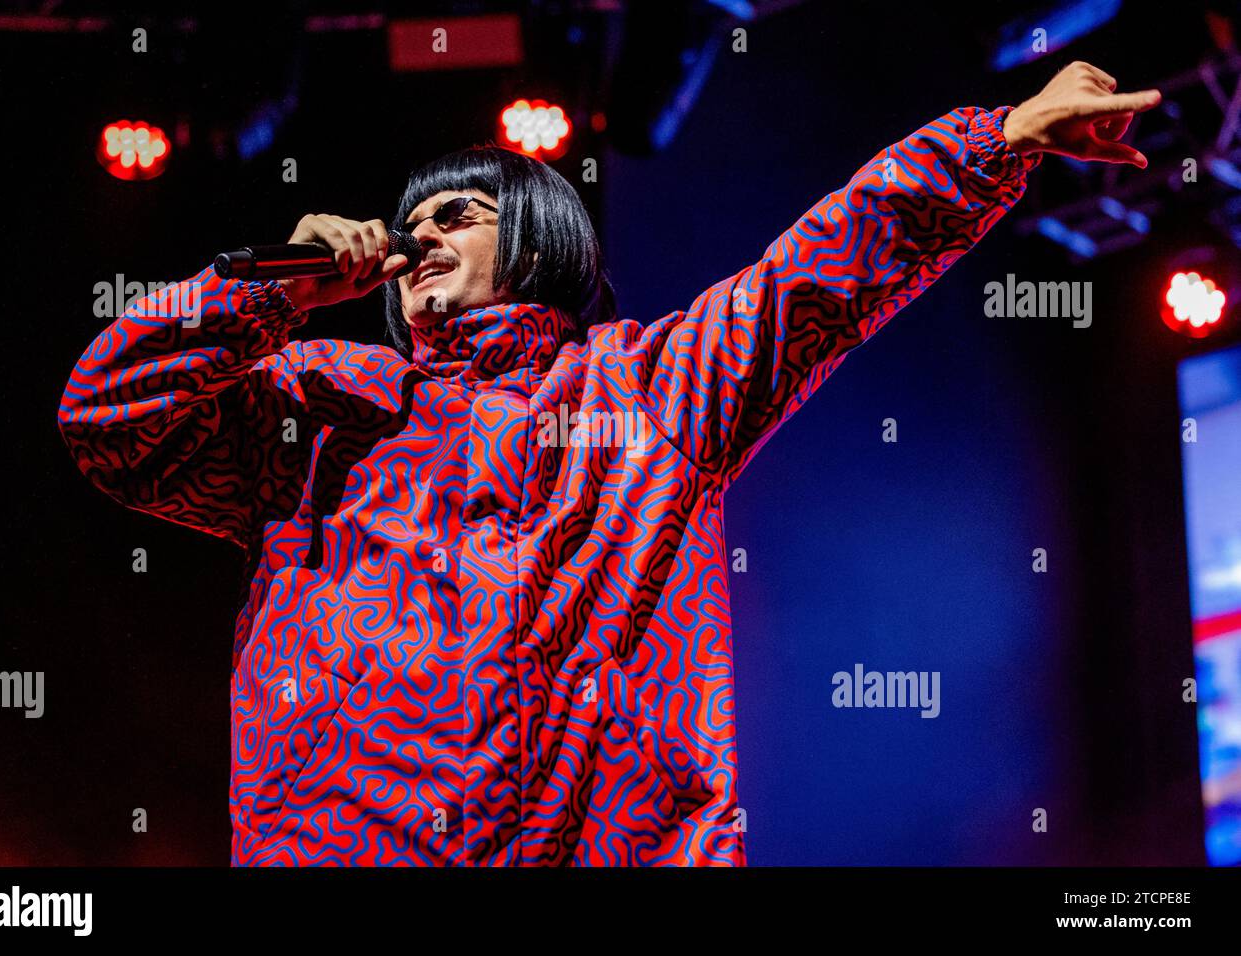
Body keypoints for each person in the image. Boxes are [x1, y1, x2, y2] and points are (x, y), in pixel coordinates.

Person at [57, 62, 1160, 865]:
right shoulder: (320, 397)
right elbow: (106, 414)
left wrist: (1003, 134)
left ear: (538, 235)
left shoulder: (650, 388)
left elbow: (821, 268)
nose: (421, 237)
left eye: (461, 213)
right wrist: (270, 291)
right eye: (407, 224)